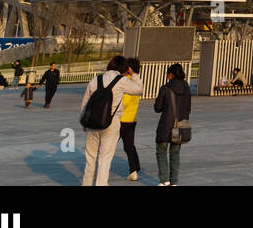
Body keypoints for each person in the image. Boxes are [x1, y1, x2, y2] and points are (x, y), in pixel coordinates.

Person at [79, 54, 144, 187]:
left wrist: (84, 122)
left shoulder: (95, 79)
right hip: (111, 124)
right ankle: (101, 184)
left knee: (90, 158)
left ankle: (86, 184)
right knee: (105, 158)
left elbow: (85, 103)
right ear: (124, 68)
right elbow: (139, 90)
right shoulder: (121, 80)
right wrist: (134, 74)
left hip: (92, 125)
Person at [154, 63, 191, 186]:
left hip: (166, 126)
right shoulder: (186, 87)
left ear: (171, 74)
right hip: (180, 126)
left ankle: (164, 180)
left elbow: (157, 108)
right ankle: (174, 182)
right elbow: (188, 107)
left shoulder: (165, 88)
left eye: (168, 73)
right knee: (175, 153)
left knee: (161, 152)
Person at [118, 57, 143, 181]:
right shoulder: (138, 82)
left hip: (121, 119)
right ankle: (134, 169)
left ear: (128, 68)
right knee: (129, 146)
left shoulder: (125, 82)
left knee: (109, 145)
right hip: (132, 119)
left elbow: (124, 101)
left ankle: (100, 167)